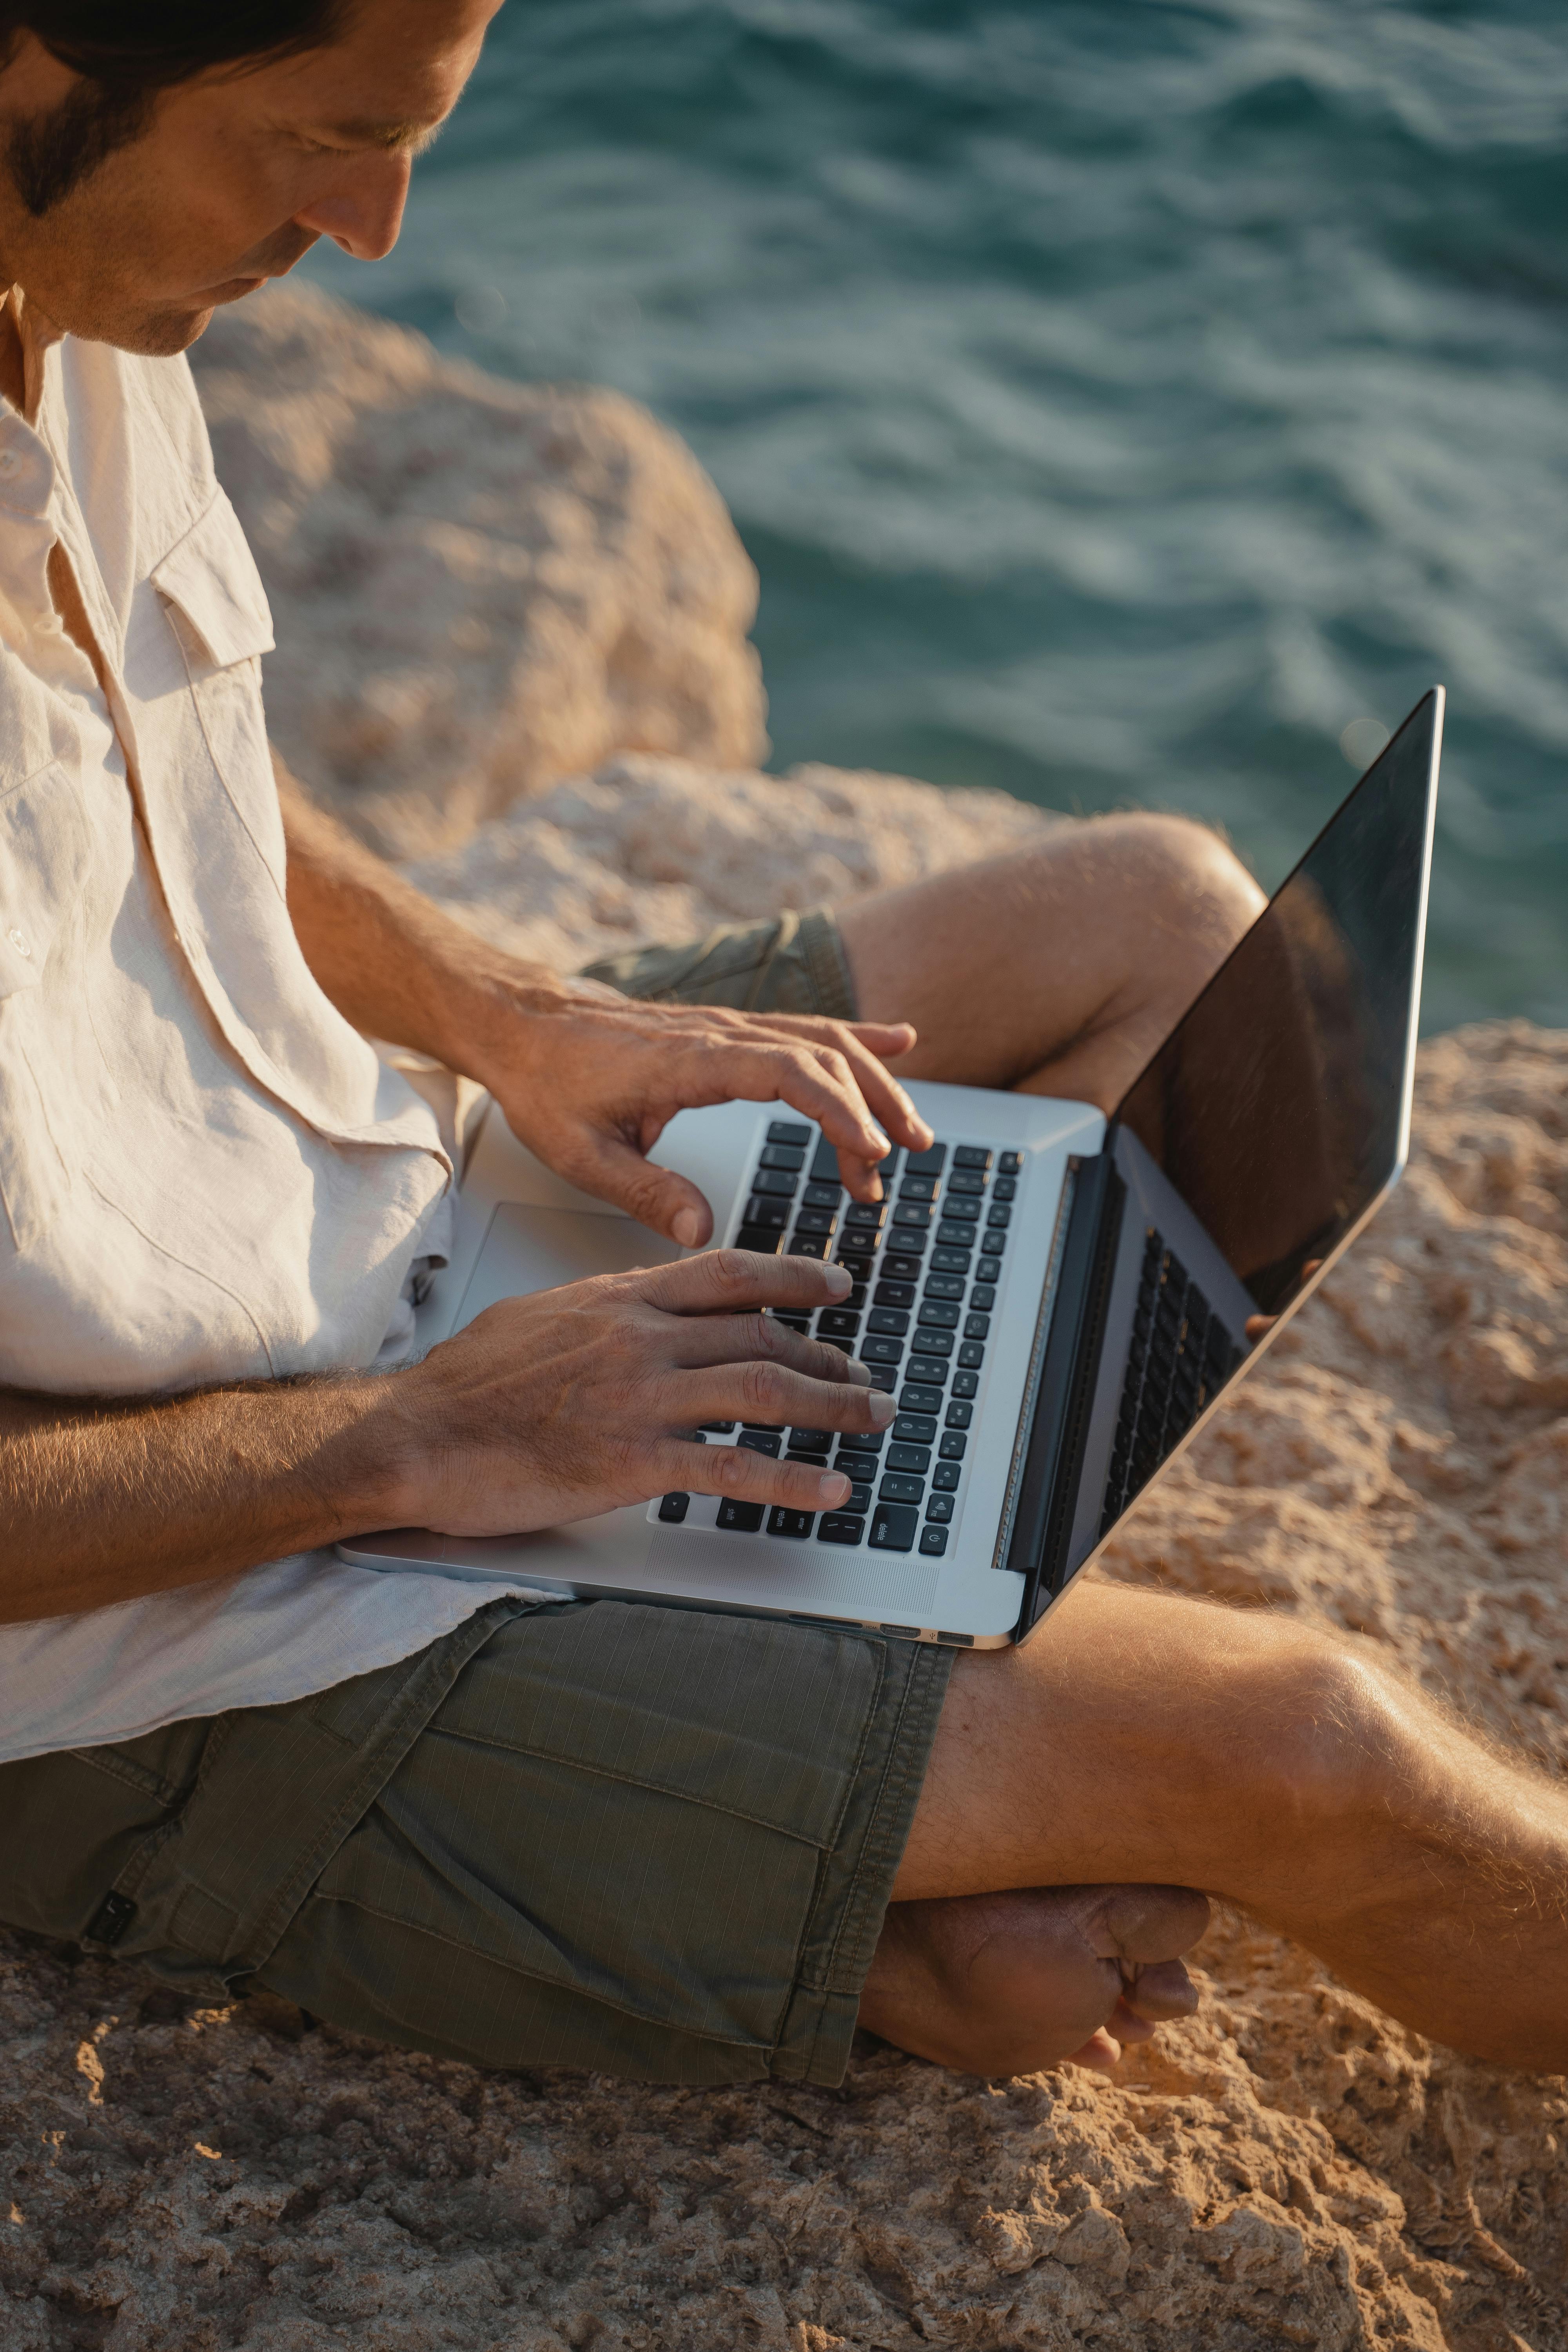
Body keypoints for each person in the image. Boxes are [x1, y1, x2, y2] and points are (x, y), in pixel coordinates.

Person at [0, 0, 1563, 2093]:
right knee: (1309, 1751)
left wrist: (513, 1019)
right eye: (318, 139)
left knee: (1190, 940)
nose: (369, 228)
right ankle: (814, 1811)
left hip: (376, 1175)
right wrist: (431, 1444)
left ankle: (846, 1708)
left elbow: (136, 769)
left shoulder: (86, 285)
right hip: (180, 1615)